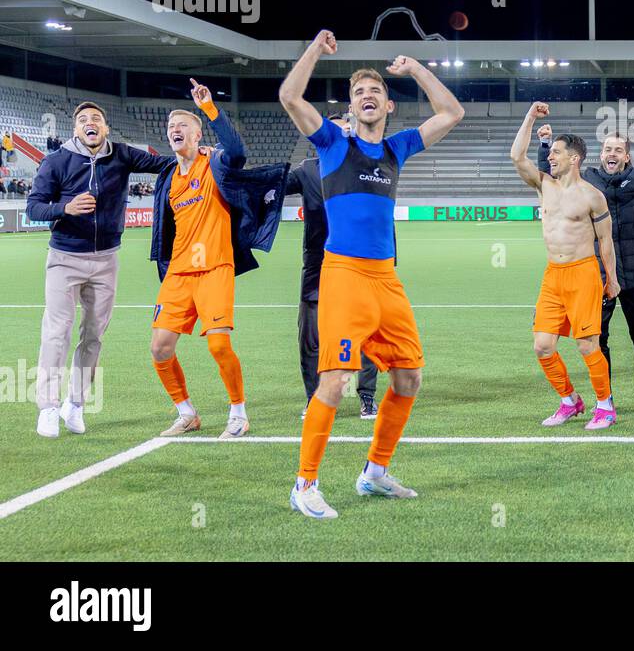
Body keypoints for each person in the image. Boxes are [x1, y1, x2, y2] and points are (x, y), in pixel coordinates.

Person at [281, 31, 465, 518]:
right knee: (337, 379)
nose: (367, 97)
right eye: (359, 93)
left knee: (409, 377)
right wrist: (317, 50)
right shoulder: (332, 144)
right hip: (342, 274)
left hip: (386, 279)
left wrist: (419, 69)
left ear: (388, 106)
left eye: (376, 92)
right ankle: (304, 484)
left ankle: (375, 473)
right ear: (350, 106)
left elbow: (452, 114)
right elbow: (289, 96)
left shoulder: (397, 148)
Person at [26, 101, 176, 438]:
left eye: (96, 119)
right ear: (75, 129)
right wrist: (65, 207)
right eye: (83, 120)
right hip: (64, 258)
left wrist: (195, 151)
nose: (90, 123)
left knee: (93, 335)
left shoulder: (122, 154)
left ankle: (75, 405)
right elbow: (33, 207)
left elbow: (165, 164)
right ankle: (48, 407)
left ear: (106, 128)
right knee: (57, 332)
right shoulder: (56, 161)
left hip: (106, 259)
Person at [149, 79, 289, 439]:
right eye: (170, 128)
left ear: (198, 136)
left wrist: (210, 109)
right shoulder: (168, 177)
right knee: (159, 347)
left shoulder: (215, 164)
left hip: (214, 268)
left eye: (183, 126)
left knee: (218, 344)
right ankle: (186, 413)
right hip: (179, 274)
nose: (175, 131)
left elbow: (238, 150)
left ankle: (239, 413)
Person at [537, 104, 634, 413]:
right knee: (599, 340)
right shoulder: (589, 181)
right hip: (598, 276)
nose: (612, 153)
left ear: (626, 156)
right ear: (600, 154)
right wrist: (545, 146)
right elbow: (549, 178)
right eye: (607, 148)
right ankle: (604, 400)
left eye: (618, 150)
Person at [513, 103, 620, 429]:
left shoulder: (592, 196)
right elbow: (517, 157)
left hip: (583, 273)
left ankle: (605, 407)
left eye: (557, 153)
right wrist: (530, 117)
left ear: (574, 158)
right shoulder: (544, 185)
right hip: (552, 276)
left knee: (587, 345)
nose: (550, 157)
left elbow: (605, 241)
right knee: (543, 346)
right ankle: (570, 401)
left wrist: (611, 279)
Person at [284, 113, 382, 418]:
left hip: (359, 266)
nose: (343, 135)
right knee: (310, 337)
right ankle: (314, 397)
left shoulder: (367, 167)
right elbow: (272, 185)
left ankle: (366, 396)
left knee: (365, 335)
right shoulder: (308, 169)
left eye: (347, 131)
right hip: (317, 268)